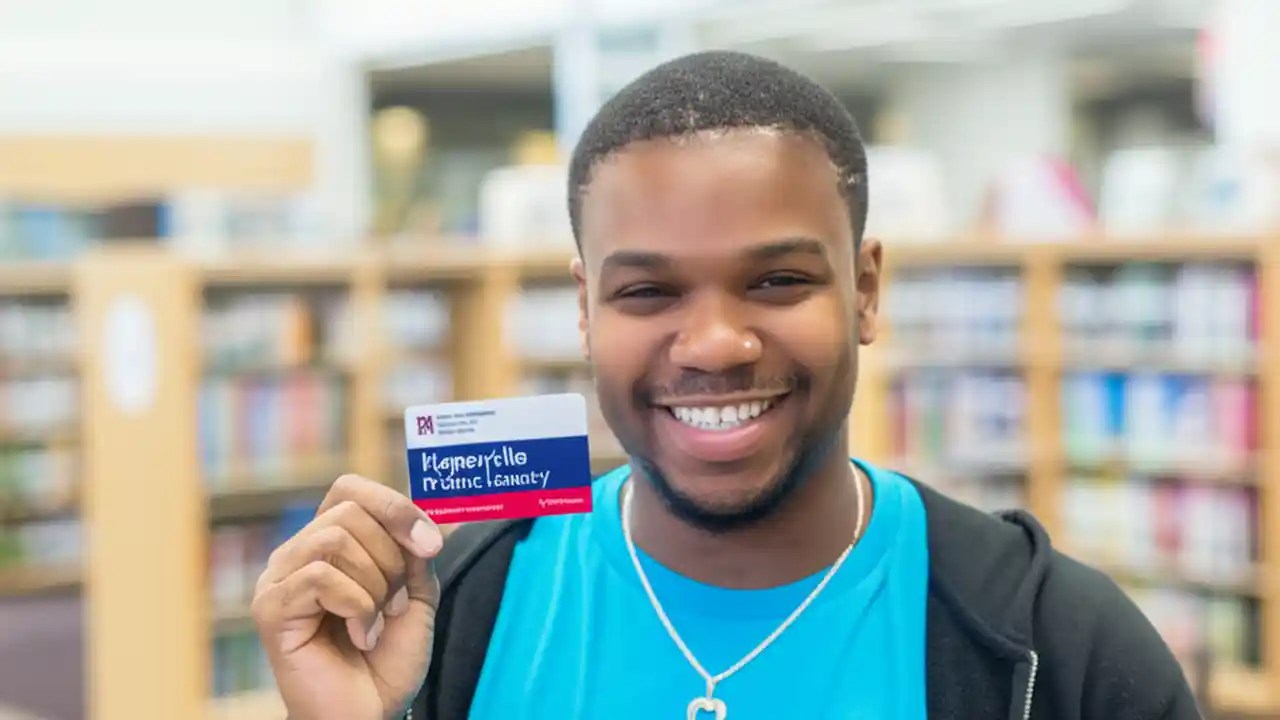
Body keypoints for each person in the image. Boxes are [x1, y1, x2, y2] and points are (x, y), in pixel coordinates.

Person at [252, 51, 1202, 720]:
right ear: (585, 310)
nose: (714, 343)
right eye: (648, 290)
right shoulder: (456, 611)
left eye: (779, 280)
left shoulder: (1061, 651)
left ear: (866, 289)